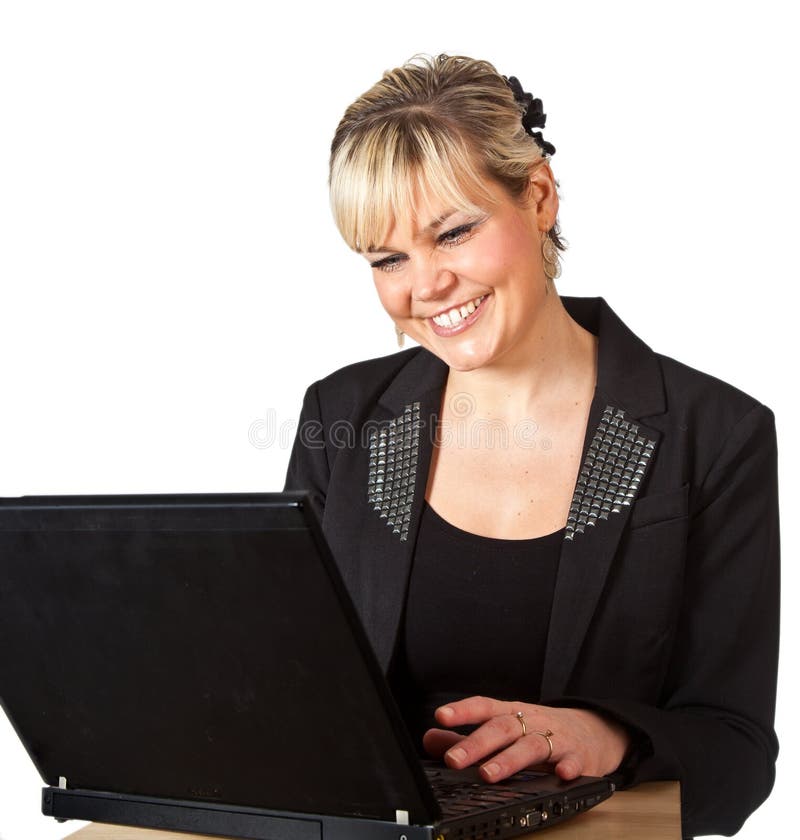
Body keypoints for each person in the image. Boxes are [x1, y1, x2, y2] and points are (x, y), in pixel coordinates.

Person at [284, 54, 779, 838]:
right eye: (387, 259)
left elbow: (739, 757)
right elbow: (290, 700)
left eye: (453, 232)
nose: (426, 286)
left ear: (540, 198)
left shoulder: (714, 436)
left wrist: (608, 736)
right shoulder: (341, 417)